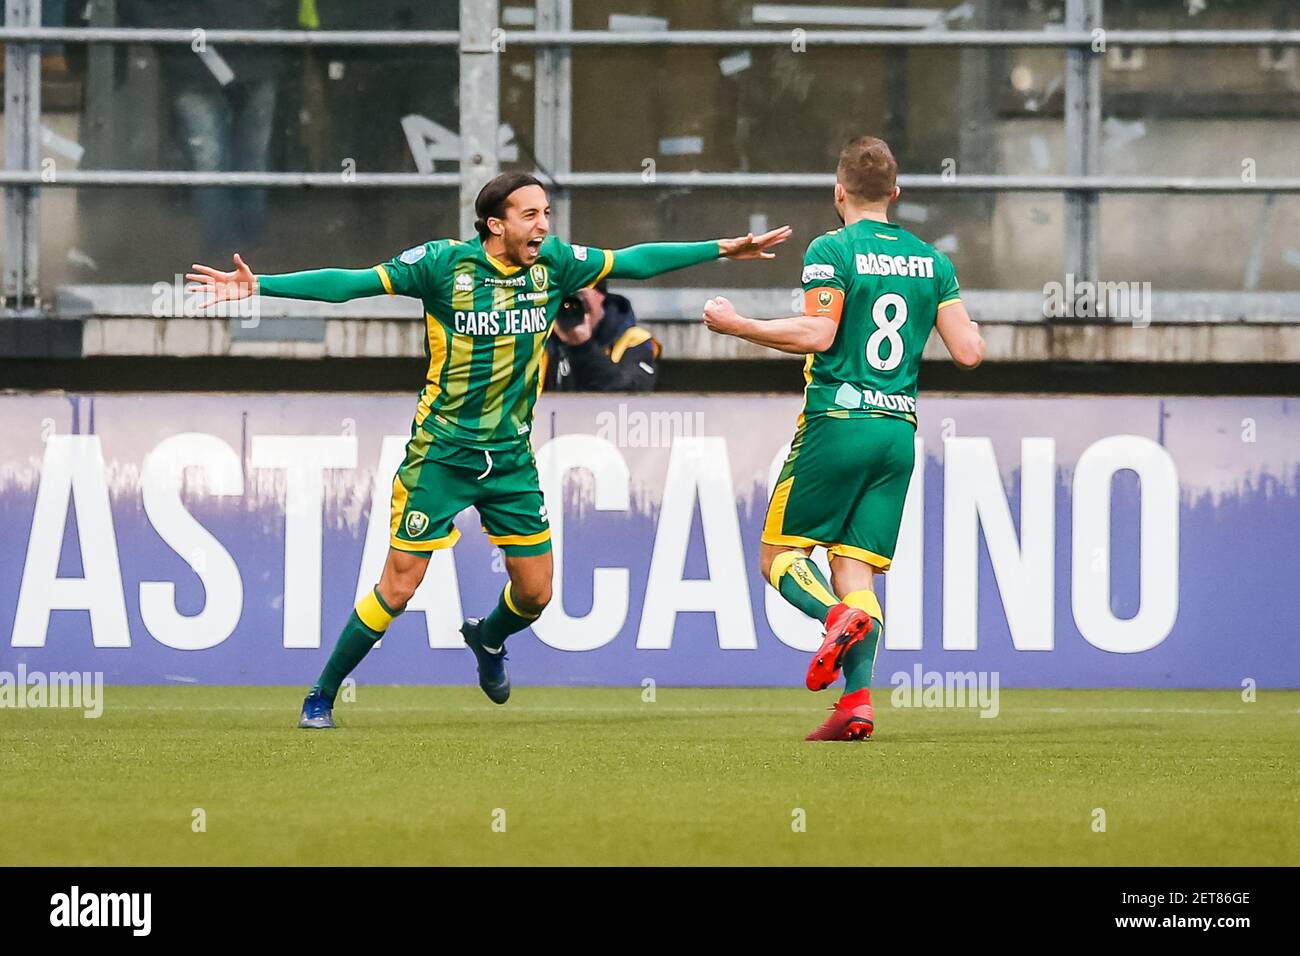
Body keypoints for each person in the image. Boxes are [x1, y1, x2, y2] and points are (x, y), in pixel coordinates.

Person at [186, 172, 791, 728]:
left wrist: (721, 248)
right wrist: (259, 285)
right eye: (531, 215)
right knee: (399, 586)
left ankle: (488, 638)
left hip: (511, 459)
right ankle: (320, 693)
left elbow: (635, 261)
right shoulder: (442, 265)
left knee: (536, 592)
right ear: (495, 225)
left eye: (547, 213)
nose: (545, 226)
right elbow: (353, 284)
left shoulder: (553, 264)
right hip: (442, 453)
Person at [701, 136, 984, 742]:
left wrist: (737, 325)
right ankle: (856, 703)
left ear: (839, 192)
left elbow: (820, 334)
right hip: (898, 432)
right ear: (896, 194)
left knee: (778, 557)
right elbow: (969, 351)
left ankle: (836, 619)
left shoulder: (831, 248)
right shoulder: (933, 262)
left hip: (839, 422)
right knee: (856, 567)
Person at [542, 281, 659, 391]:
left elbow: (631, 395)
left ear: (600, 295)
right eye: (562, 303)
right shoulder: (540, 340)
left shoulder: (633, 339)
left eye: (581, 302)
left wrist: (584, 347)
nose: (572, 310)